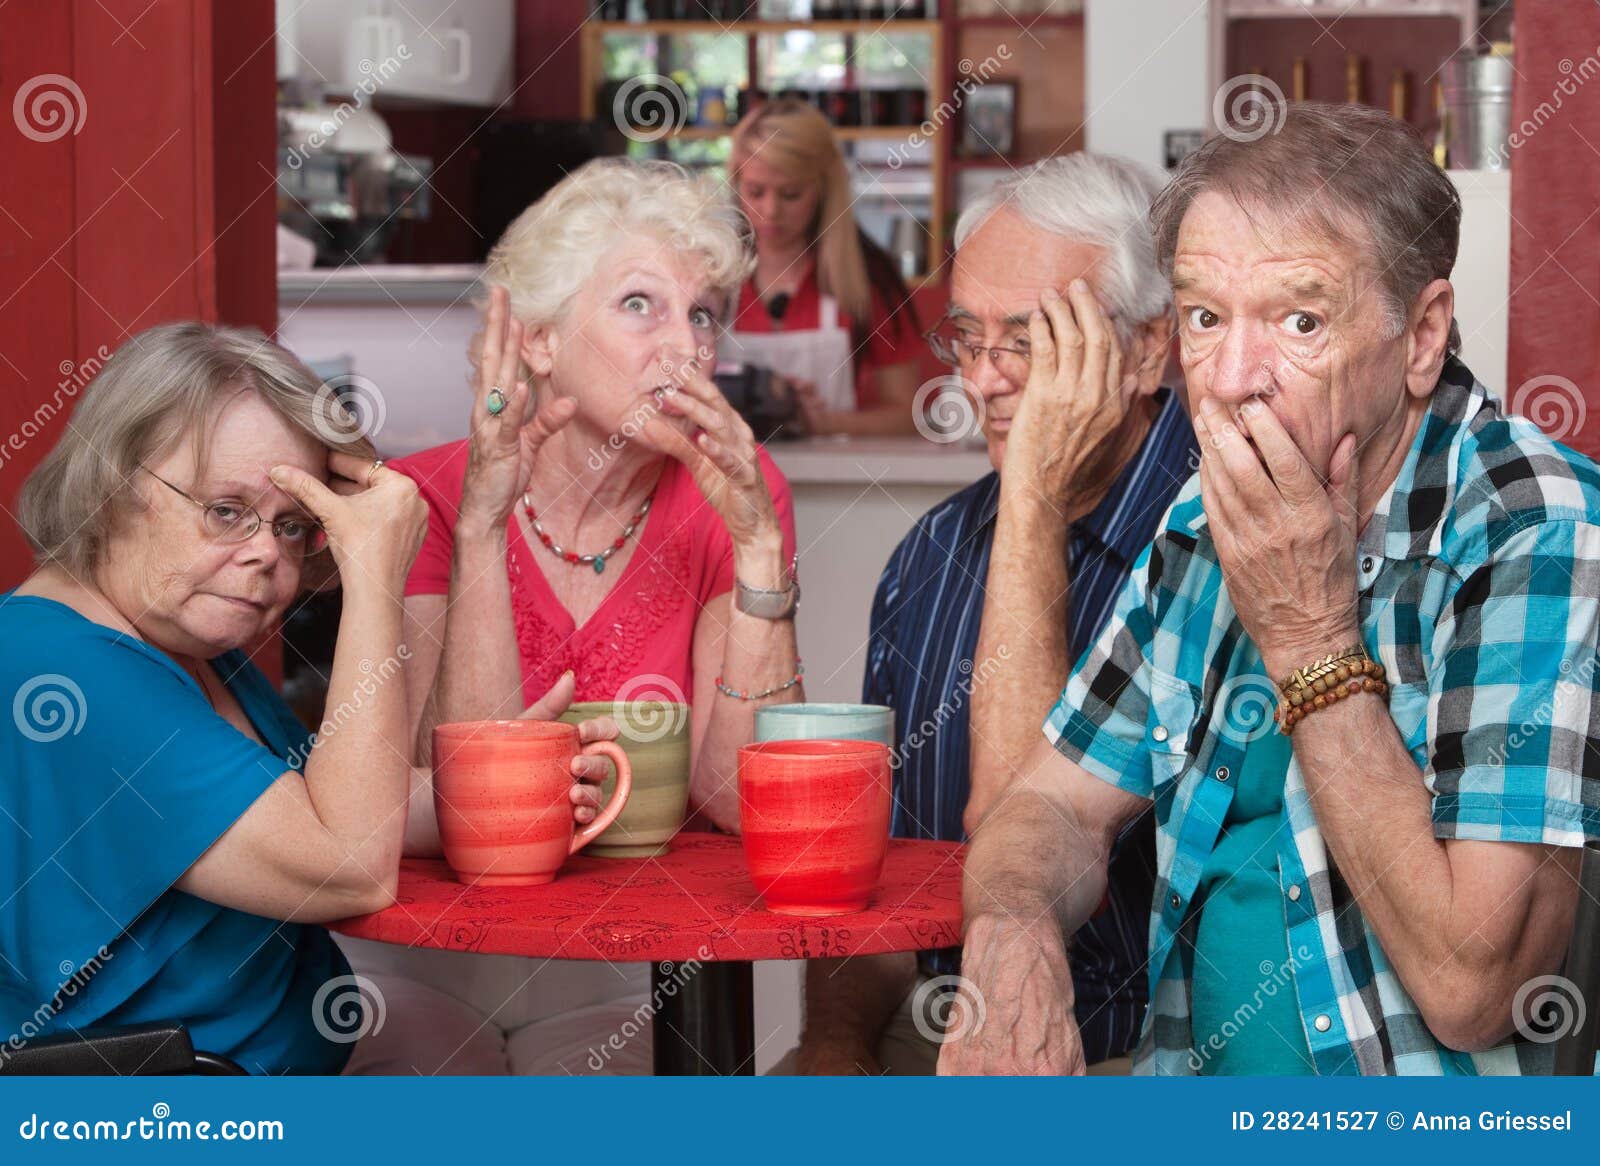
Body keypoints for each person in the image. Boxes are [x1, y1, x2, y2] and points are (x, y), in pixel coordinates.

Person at [944, 102, 1600, 1076]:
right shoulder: (1200, 517)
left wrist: (1308, 636)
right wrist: (1012, 924)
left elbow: (1475, 984)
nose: (1233, 380)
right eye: (1206, 317)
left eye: (1300, 319)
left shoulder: (1531, 525)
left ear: (1421, 334)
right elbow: (1048, 806)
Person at [0, 322, 611, 1075]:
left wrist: (498, 784)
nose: (266, 554)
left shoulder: (181, 647)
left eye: (294, 526)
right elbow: (346, 866)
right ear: (112, 484)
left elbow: (324, 814)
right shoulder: (67, 669)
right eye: (226, 510)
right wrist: (375, 572)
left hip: (294, 1048)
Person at [341, 157, 802, 1074]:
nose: (687, 347)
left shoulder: (734, 498)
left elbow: (733, 805)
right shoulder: (425, 495)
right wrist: (482, 524)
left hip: (627, 961)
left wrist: (759, 554)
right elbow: (462, 788)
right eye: (641, 304)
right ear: (541, 341)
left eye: (703, 313)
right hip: (421, 950)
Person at [782, 155, 1197, 1074]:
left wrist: (1033, 505)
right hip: (933, 1037)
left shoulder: (1220, 535)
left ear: (1143, 347)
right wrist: (833, 1050)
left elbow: (1021, 821)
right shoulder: (929, 555)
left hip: (1142, 1058)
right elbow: (876, 875)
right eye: (968, 339)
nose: (984, 381)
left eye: (1031, 340)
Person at [726, 97, 924, 437]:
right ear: (735, 183)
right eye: (755, 192)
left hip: (837, 483)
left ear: (823, 189)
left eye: (791, 194)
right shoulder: (711, 276)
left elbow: (910, 417)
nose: (770, 211)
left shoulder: (870, 279)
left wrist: (825, 424)